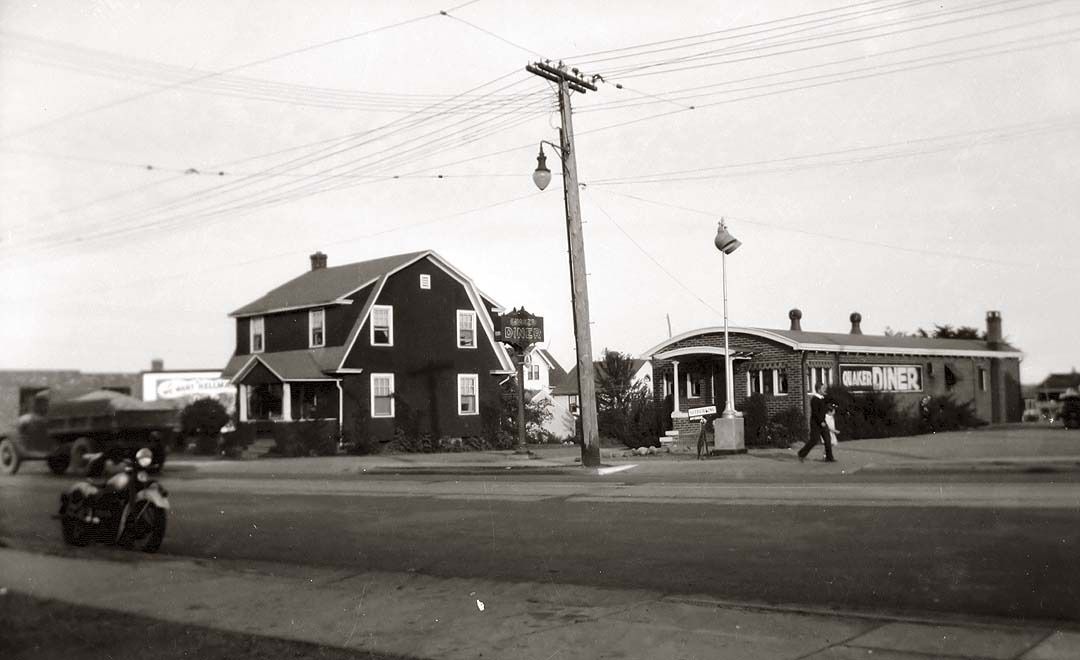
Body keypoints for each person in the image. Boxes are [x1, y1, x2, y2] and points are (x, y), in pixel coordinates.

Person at [798, 382, 835, 463]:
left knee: (827, 439)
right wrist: (821, 421)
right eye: (823, 388)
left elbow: (824, 409)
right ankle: (801, 453)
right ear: (818, 390)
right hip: (816, 423)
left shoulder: (822, 398)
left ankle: (829, 458)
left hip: (822, 421)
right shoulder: (814, 399)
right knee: (814, 440)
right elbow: (815, 413)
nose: (824, 390)